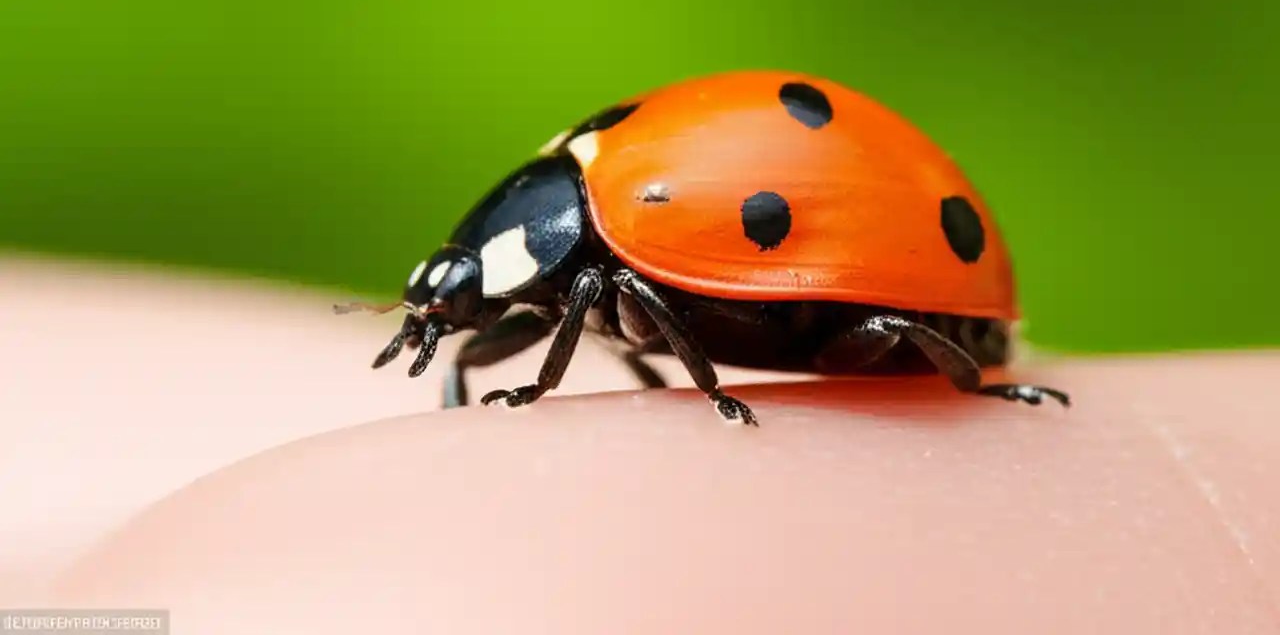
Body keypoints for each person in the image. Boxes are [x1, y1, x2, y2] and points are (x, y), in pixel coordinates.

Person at [3, 256, 1276, 633]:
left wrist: (708, 389)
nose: (454, 325)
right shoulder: (583, 259)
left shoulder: (622, 245)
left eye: (456, 295)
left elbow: (640, 306)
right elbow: (604, 307)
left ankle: (976, 387)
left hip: (888, 298)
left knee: (873, 328)